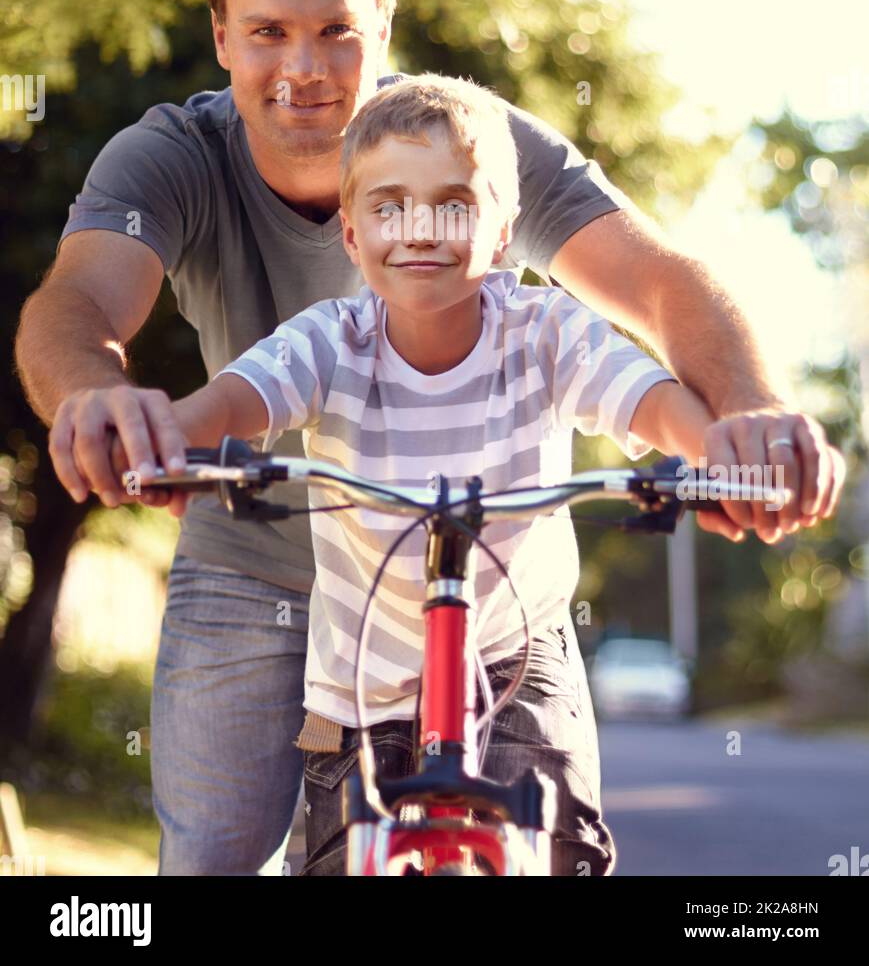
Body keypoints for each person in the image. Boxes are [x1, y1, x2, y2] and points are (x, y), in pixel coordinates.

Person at [16, 0, 844, 875]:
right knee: (216, 858)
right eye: (267, 31)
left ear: (386, 20)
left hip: (491, 592)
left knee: (554, 840)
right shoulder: (175, 157)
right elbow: (77, 304)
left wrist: (744, 418)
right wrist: (102, 401)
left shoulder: (470, 145)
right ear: (222, 34)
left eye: (336, 30)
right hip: (254, 562)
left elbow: (657, 284)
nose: (304, 69)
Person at [112, 73, 721, 875]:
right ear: (352, 236)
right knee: (340, 857)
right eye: (388, 205)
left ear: (503, 232)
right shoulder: (330, 340)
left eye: (455, 205)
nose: (420, 229)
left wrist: (720, 453)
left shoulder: (541, 330)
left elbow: (654, 402)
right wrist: (161, 442)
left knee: (557, 846)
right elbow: (228, 403)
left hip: (511, 651)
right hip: (360, 675)